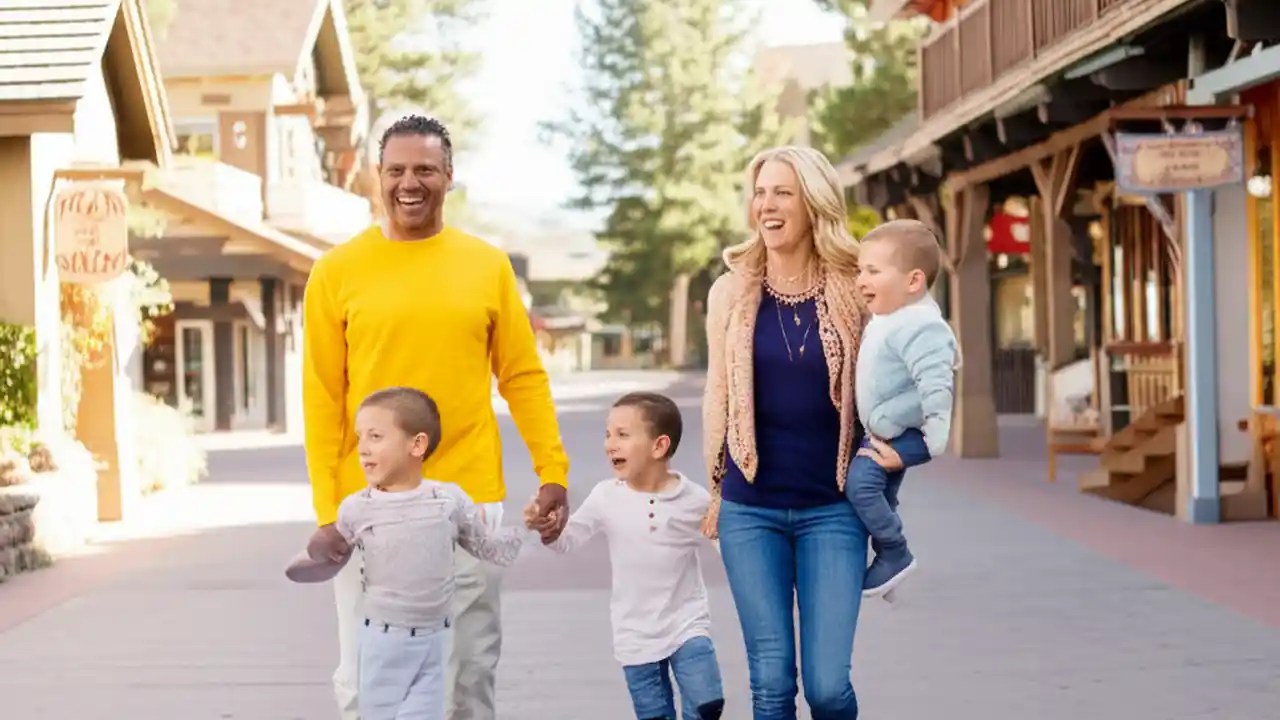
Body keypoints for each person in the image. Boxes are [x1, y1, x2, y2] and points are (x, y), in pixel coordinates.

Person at [301, 114, 570, 720]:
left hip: (468, 501)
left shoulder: (486, 265)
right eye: (395, 170)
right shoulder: (337, 271)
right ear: (378, 177)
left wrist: (552, 470)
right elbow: (321, 398)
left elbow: (522, 376)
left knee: (466, 679)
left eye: (424, 169)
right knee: (367, 684)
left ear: (449, 176)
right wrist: (327, 511)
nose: (409, 183)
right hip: (369, 511)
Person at [701, 145, 871, 719]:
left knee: (826, 687)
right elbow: (716, 394)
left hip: (834, 508)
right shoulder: (730, 291)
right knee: (771, 685)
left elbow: (895, 369)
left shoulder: (854, 287)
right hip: (750, 510)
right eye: (760, 192)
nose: (766, 205)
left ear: (814, 203)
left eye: (782, 192)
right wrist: (716, 489)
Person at [288, 387, 534, 720]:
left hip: (434, 644)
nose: (362, 449)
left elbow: (486, 547)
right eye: (360, 437)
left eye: (375, 436)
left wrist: (528, 527)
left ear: (417, 445)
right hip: (381, 645)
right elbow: (327, 558)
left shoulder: (448, 501)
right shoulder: (357, 508)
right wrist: (316, 549)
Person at [527, 392, 725, 720]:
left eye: (622, 435)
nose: (610, 444)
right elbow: (568, 540)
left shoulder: (693, 499)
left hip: (687, 623)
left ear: (658, 446)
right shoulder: (606, 497)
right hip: (634, 633)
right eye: (607, 434)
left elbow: (726, 546)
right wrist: (548, 528)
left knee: (707, 702)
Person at [846, 219, 958, 600]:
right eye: (860, 270)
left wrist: (933, 442)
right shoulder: (890, 317)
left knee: (861, 484)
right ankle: (890, 574)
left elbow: (936, 386)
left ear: (913, 282)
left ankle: (895, 552)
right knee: (883, 495)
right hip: (888, 430)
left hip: (912, 435)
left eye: (873, 271)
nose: (861, 280)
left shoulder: (921, 325)